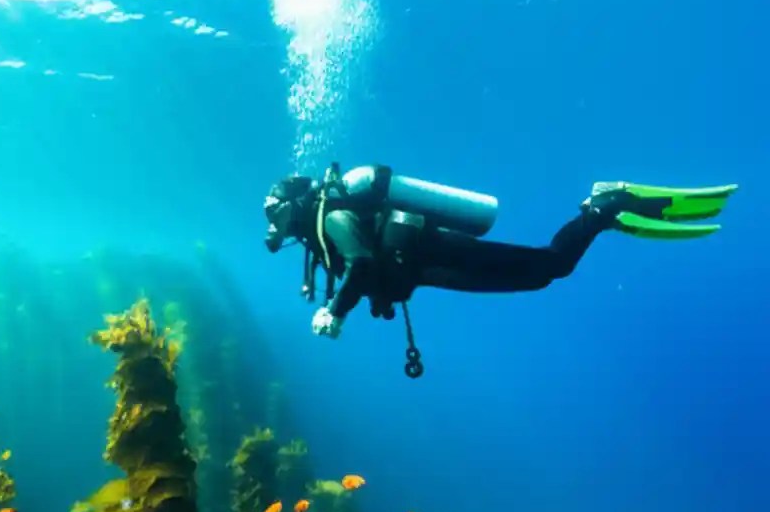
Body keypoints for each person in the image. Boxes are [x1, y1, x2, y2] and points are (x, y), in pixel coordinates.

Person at [262, 163, 737, 377]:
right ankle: (599, 214)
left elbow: (364, 261)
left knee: (550, 266)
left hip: (434, 254)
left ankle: (602, 206)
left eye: (273, 212)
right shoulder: (319, 234)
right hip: (429, 268)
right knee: (539, 276)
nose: (273, 225)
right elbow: (368, 267)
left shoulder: (334, 216)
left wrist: (337, 312)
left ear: (291, 205)